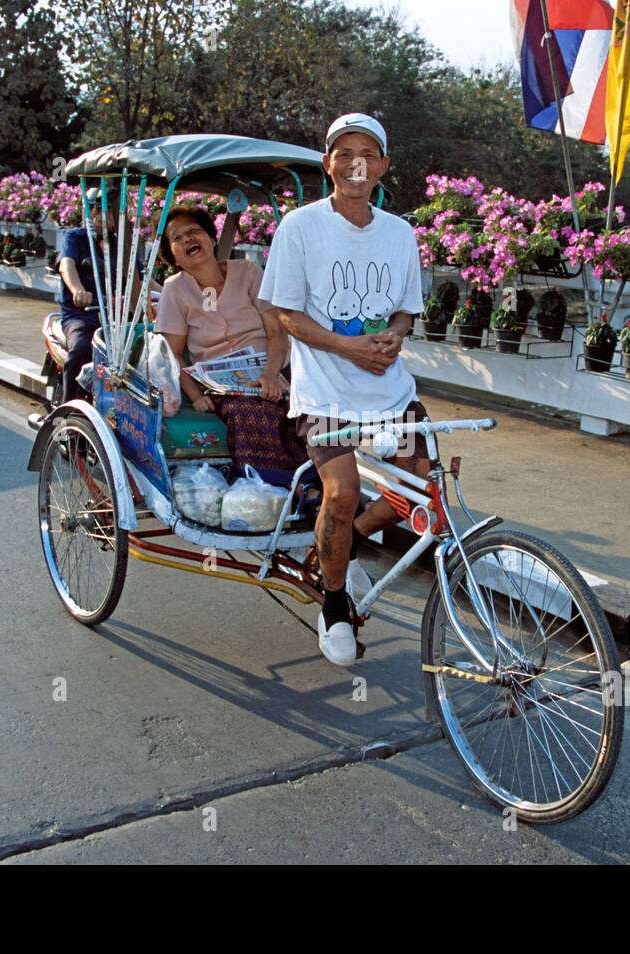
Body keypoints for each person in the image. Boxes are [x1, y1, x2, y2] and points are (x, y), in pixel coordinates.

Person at [259, 113, 430, 666]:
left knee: (416, 493)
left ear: (383, 166)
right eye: (344, 151)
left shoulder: (401, 233)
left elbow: (406, 309)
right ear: (327, 162)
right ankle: (334, 603)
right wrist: (350, 347)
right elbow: (286, 313)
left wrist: (392, 339)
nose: (357, 162)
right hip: (325, 391)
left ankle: (342, 543)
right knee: (341, 491)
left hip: (390, 387)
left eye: (369, 153)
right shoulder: (300, 227)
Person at [153, 204, 307, 487]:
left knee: (309, 406)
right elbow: (172, 353)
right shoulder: (175, 289)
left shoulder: (248, 271)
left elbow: (277, 332)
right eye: (177, 238)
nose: (188, 240)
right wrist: (196, 395)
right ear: (171, 254)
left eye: (194, 231)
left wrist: (271, 374)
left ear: (211, 238)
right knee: (247, 410)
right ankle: (274, 485)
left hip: (273, 369)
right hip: (221, 384)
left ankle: (318, 480)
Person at [54, 183, 145, 405]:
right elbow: (67, 265)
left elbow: (141, 276)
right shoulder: (75, 237)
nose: (107, 217)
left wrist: (169, 293)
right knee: (83, 349)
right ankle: (70, 414)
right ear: (93, 211)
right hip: (83, 315)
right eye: (103, 210)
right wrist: (78, 291)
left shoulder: (122, 245)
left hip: (119, 319)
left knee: (143, 355)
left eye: (115, 213)